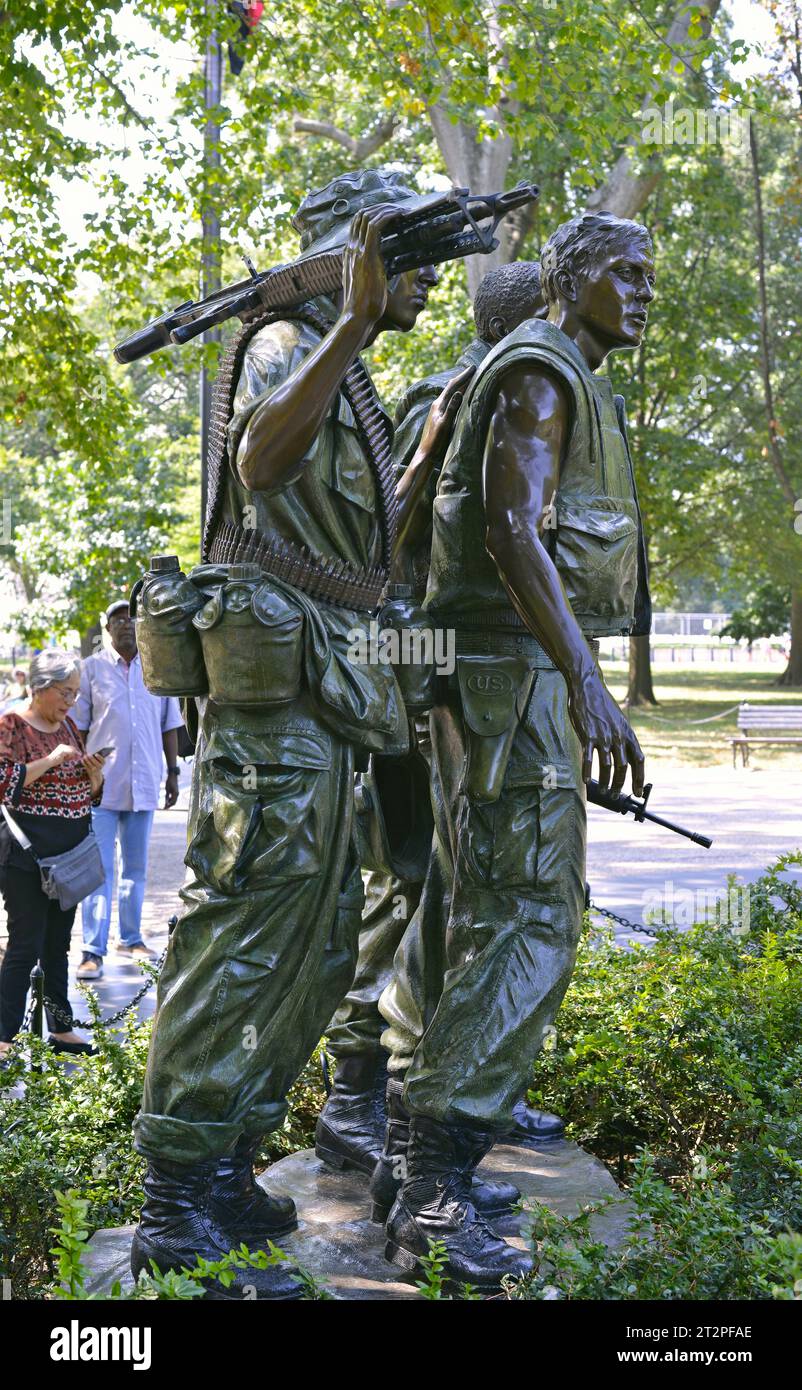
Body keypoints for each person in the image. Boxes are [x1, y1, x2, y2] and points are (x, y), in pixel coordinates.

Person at [130, 168, 472, 1300]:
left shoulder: (349, 367)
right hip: (273, 732)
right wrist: (352, 324)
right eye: (409, 256)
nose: (427, 279)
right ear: (355, 255)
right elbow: (261, 461)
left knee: (318, 947)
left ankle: (226, 1163)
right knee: (240, 954)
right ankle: (173, 1209)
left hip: (327, 706)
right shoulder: (288, 345)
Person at [378, 211, 653, 1289]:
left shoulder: (554, 371)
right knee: (530, 914)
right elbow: (510, 528)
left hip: (501, 677)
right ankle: (436, 1188)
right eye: (623, 274)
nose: (641, 292)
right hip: (514, 674)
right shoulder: (539, 374)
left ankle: (414, 1169)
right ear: (570, 277)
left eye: (647, 277)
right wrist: (583, 680)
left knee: (476, 903)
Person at [316, 261, 562, 1189]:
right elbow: (396, 532)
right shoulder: (462, 392)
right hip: (422, 665)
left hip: (458, 663)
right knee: (409, 874)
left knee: (463, 887)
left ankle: (427, 1097)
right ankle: (357, 1093)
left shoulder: (509, 390)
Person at [0, 650, 106, 1058]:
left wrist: (94, 777)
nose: (70, 702)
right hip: (27, 857)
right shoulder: (11, 724)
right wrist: (49, 760)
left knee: (58, 944)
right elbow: (4, 783)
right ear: (40, 687)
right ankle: (5, 1035)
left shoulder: (71, 728)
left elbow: (87, 793)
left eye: (76, 694)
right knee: (25, 944)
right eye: (64, 692)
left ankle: (61, 1029)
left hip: (69, 856)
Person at [72, 599, 183, 981]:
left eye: (132, 618)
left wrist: (172, 773)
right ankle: (92, 950)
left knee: (135, 869)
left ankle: (132, 939)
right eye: (117, 620)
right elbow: (79, 728)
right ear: (107, 627)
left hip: (145, 781)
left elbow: (170, 725)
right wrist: (79, 775)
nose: (125, 625)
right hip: (100, 786)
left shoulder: (158, 669)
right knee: (99, 870)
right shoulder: (91, 670)